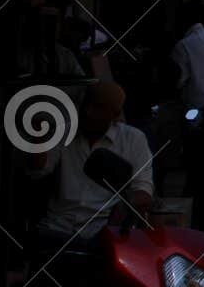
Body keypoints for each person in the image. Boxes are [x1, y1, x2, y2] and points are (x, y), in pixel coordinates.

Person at [32, 82, 154, 243]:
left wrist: (124, 207)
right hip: (57, 225)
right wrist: (38, 137)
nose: (88, 112)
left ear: (115, 114)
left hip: (104, 230)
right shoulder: (63, 132)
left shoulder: (133, 139)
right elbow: (37, 171)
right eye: (86, 104)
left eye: (98, 108)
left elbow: (144, 192)